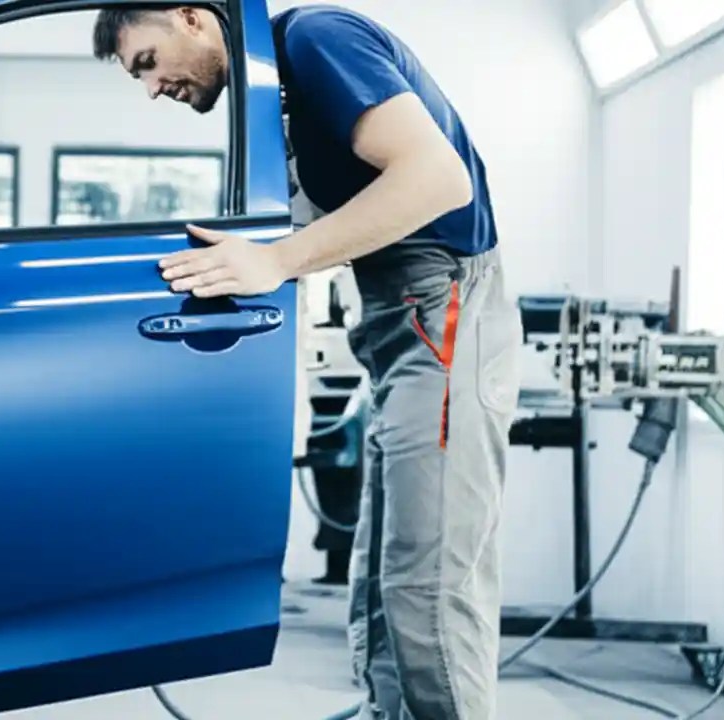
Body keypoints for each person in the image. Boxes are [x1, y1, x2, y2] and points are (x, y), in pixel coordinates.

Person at [92, 6, 522, 720]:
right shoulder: (281, 86)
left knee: (430, 586)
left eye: (146, 62)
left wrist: (279, 261)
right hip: (398, 322)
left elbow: (439, 179)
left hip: (444, 311)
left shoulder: (318, 38)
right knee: (386, 581)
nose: (151, 88)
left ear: (192, 18)